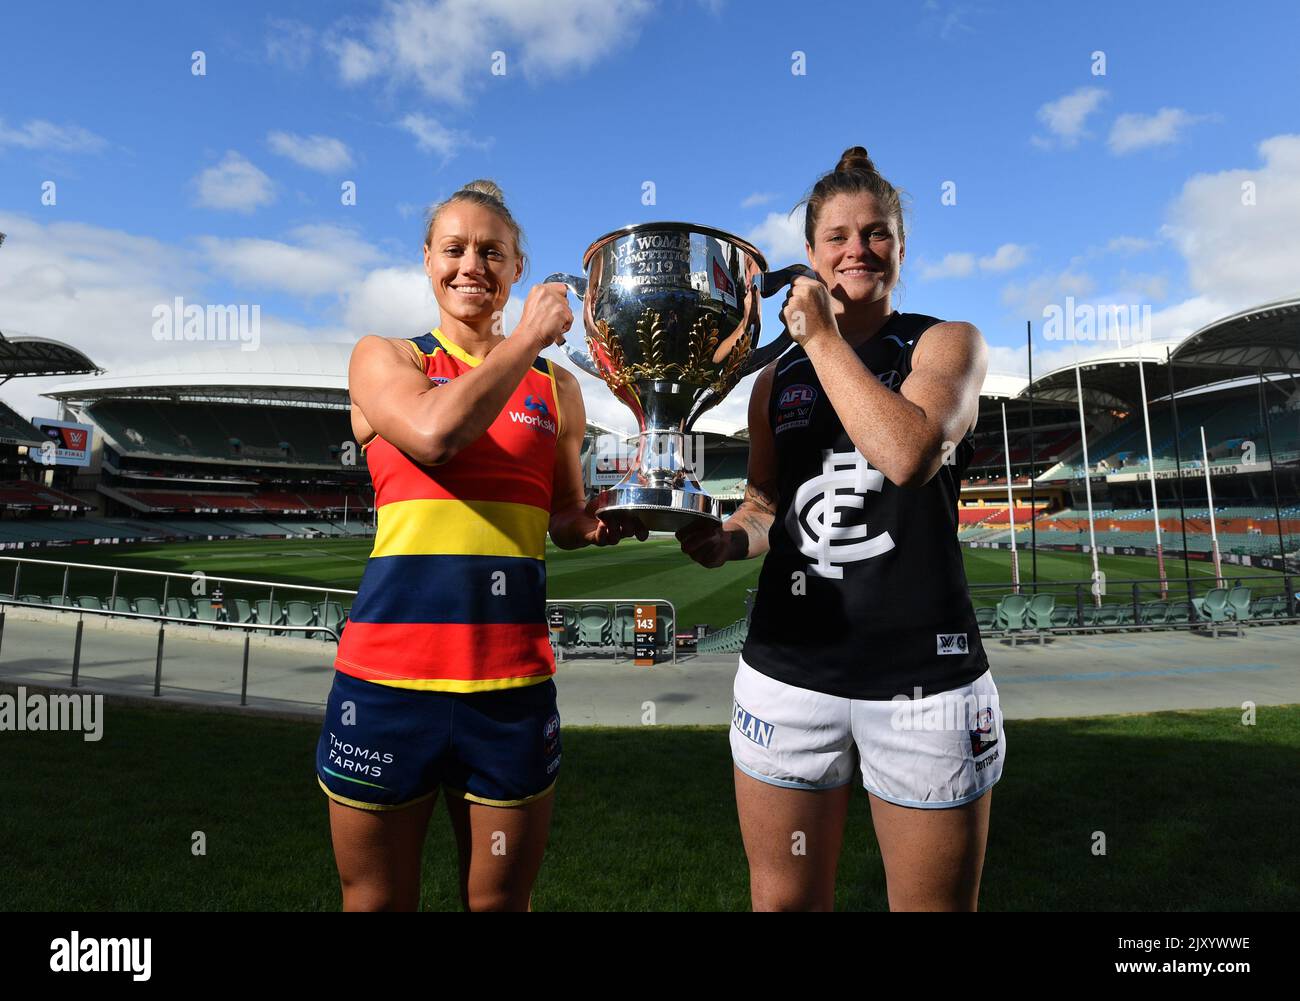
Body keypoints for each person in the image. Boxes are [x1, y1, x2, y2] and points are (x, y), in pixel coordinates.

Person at [678, 146, 1003, 911]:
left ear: (900, 248)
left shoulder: (944, 342)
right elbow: (764, 504)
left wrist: (820, 337)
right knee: (784, 901)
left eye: (877, 232)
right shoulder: (773, 379)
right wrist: (728, 539)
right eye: (838, 236)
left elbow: (909, 453)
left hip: (923, 678)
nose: (858, 248)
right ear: (814, 254)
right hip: (789, 672)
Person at [317, 179, 646, 912]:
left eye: (491, 251)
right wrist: (527, 335)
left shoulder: (558, 389)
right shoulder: (383, 358)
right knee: (375, 901)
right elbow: (435, 435)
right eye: (454, 248)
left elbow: (562, 514)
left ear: (517, 266)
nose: (472, 265)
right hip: (386, 683)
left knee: (500, 902)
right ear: (427, 260)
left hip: (511, 689)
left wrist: (595, 521)